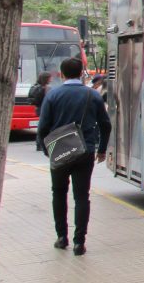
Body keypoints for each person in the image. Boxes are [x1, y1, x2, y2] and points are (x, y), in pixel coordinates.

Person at [36, 56, 111, 256]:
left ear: (61, 74)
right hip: (85, 150)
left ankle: (62, 237)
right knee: (82, 196)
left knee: (59, 193)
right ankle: (80, 242)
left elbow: (43, 127)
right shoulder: (92, 95)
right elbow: (105, 124)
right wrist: (102, 149)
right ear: (81, 73)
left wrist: (47, 150)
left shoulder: (52, 95)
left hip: (59, 151)